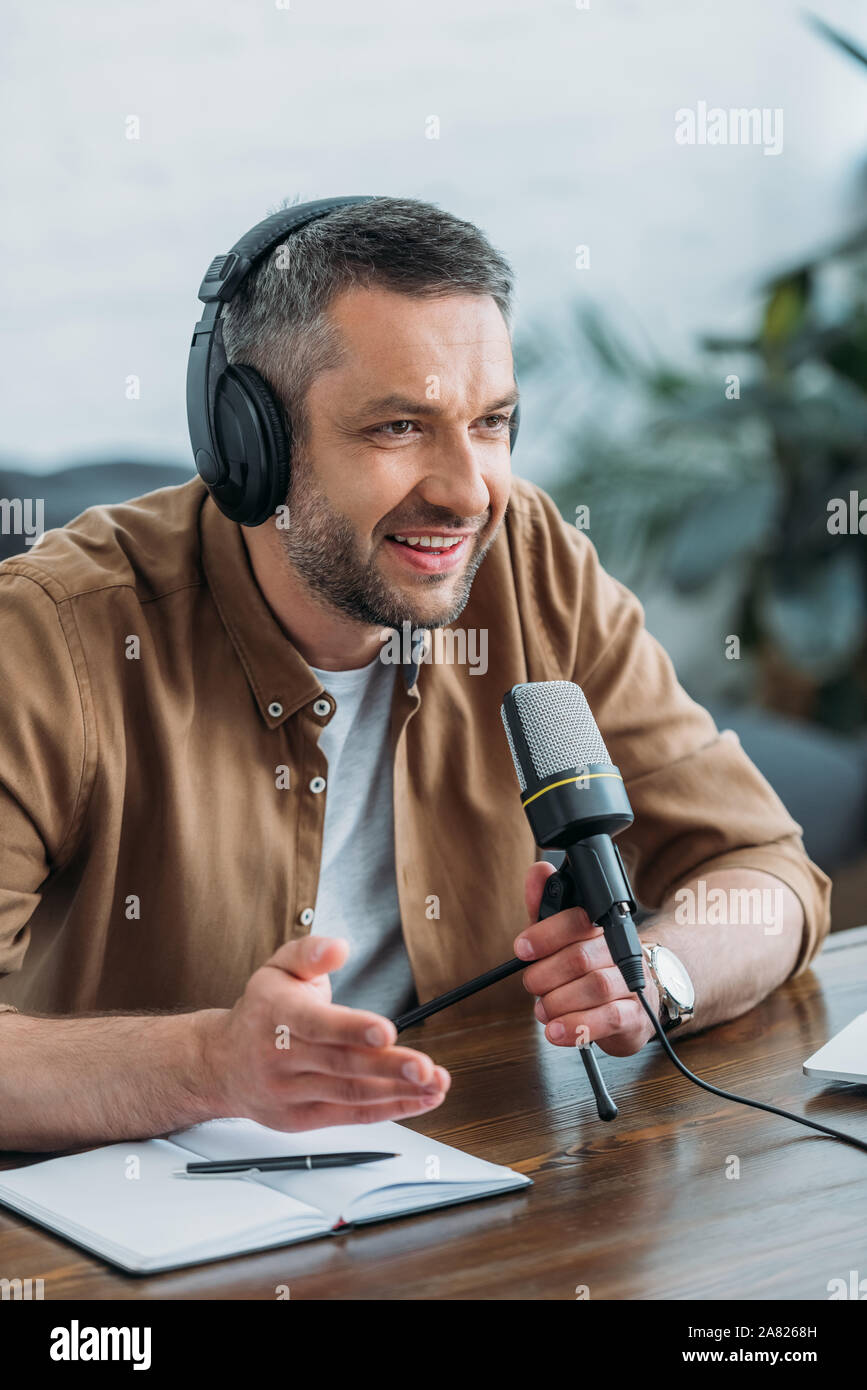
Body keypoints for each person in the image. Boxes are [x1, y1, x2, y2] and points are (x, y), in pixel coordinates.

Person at [0, 198, 829, 1150]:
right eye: (400, 427)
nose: (467, 491)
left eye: (490, 424)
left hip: (473, 1189)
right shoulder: (51, 634)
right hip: (138, 1234)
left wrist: (655, 977)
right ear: (251, 445)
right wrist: (209, 1064)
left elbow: (761, 869)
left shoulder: (529, 563)